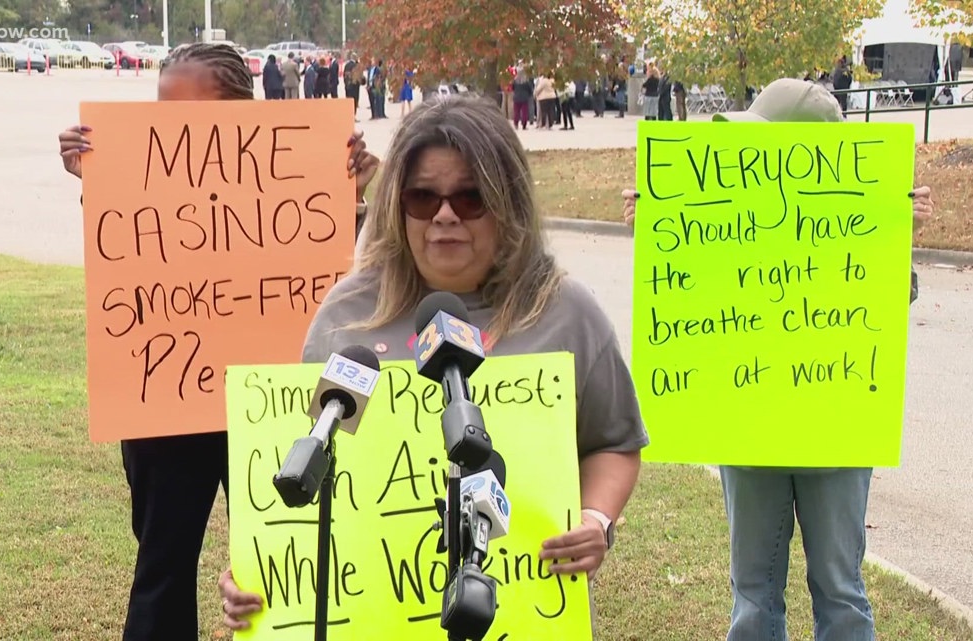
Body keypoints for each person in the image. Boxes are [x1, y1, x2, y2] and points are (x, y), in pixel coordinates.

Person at [217, 92, 649, 631]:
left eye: (470, 199)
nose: (445, 216)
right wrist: (260, 570)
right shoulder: (348, 316)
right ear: (398, 206)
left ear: (507, 203)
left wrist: (596, 519)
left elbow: (615, 441)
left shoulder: (566, 312)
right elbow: (301, 468)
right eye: (423, 198)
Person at [55, 42, 380, 641]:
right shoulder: (145, 168)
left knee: (289, 554)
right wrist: (98, 179)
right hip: (169, 403)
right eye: (161, 112)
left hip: (272, 400)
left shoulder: (304, 164)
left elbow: (358, 273)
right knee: (162, 563)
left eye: (189, 112)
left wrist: (358, 187)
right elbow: (129, 253)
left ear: (242, 112)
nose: (169, 127)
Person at [619, 78, 935, 641]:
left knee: (839, 589)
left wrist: (895, 231)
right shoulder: (730, 215)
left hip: (836, 439)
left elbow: (889, 302)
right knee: (752, 591)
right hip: (750, 429)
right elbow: (698, 292)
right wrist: (660, 224)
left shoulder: (853, 218)